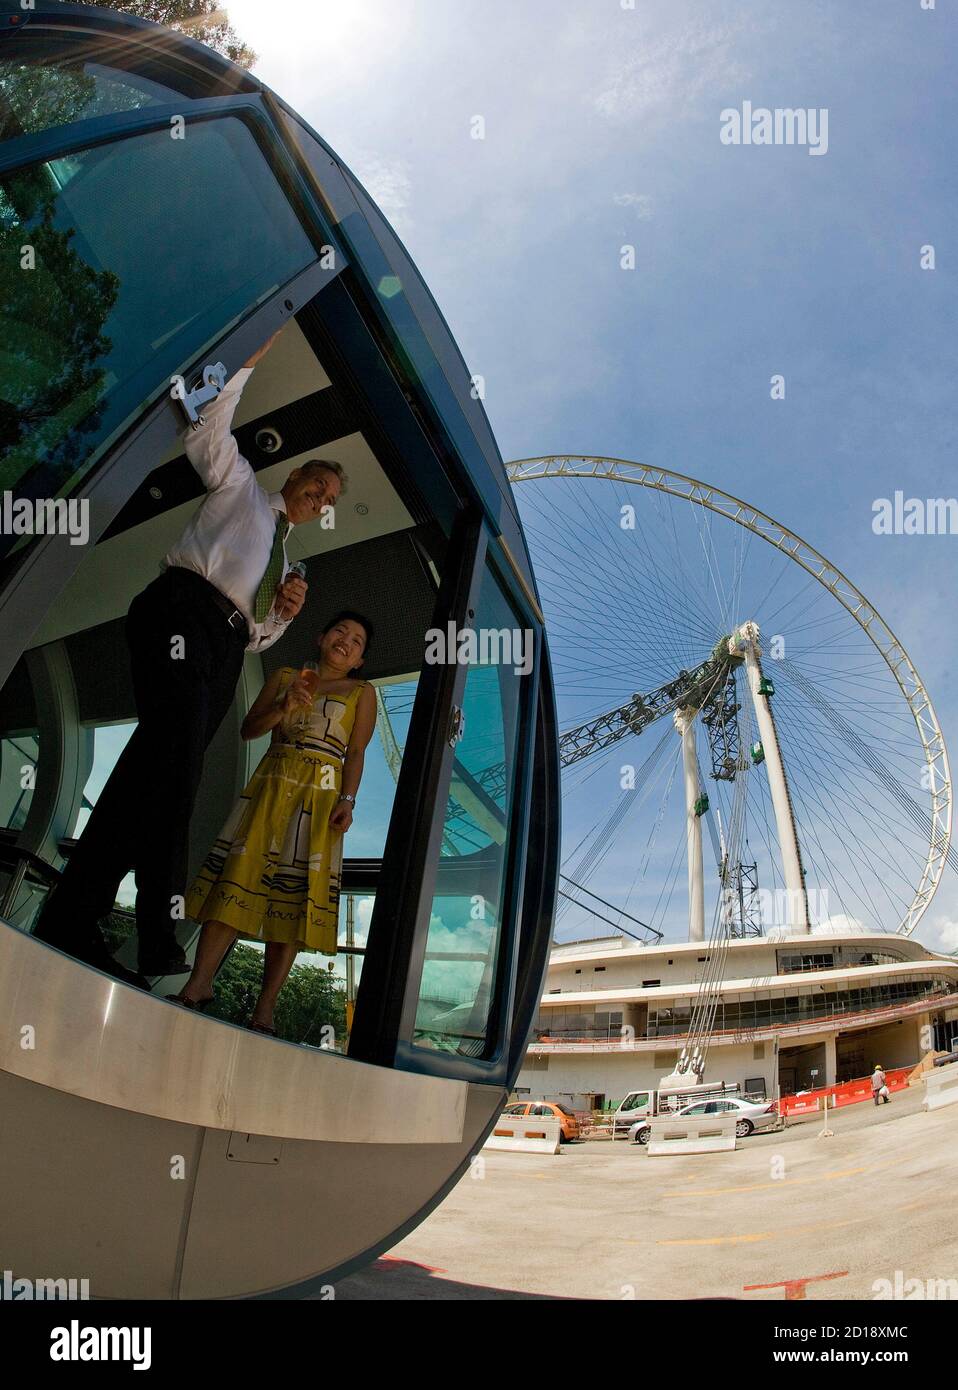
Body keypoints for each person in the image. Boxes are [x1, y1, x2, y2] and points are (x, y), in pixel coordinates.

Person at [34, 330, 345, 983]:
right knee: (174, 773)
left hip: (228, 646)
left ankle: (72, 915)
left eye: (327, 501)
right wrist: (249, 359)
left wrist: (281, 617)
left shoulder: (286, 561)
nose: (319, 500)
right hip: (181, 612)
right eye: (316, 485)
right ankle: (153, 935)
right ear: (294, 477)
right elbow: (208, 428)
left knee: (155, 773)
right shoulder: (242, 488)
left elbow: (257, 636)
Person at [170, 611, 376, 1035]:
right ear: (321, 636)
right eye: (340, 630)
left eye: (357, 641)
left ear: (358, 660)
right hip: (272, 781)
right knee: (237, 877)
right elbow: (248, 730)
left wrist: (349, 801)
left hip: (320, 793)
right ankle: (197, 985)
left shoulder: (362, 691)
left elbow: (355, 753)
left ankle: (265, 1009)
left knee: (295, 899)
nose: (346, 641)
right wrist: (284, 706)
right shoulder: (286, 676)